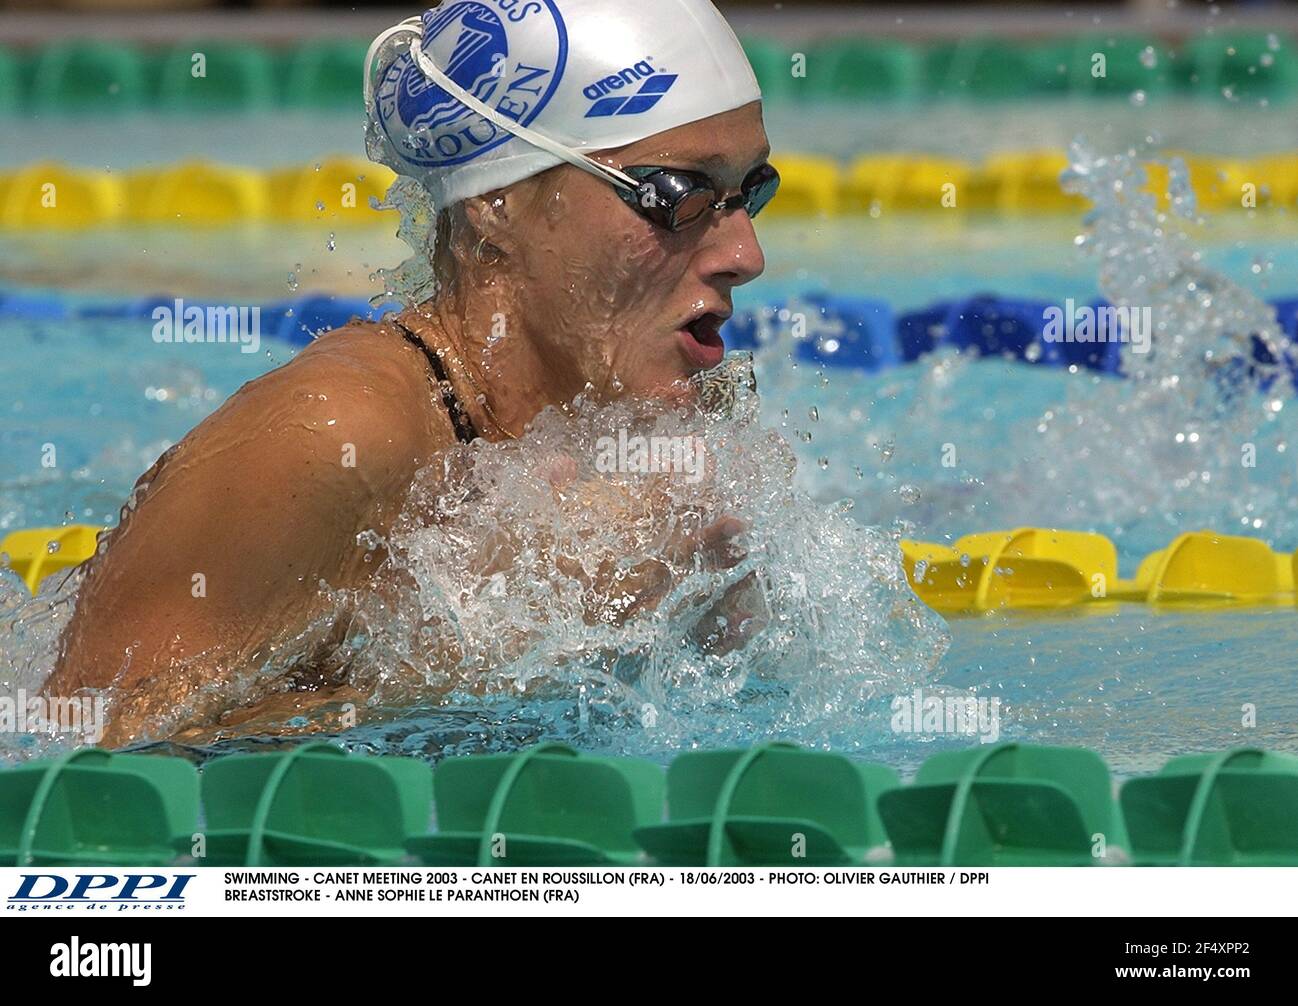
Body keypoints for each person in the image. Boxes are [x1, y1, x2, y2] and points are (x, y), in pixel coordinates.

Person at [42, 0, 779, 746]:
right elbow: (83, 762)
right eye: (676, 195)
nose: (745, 255)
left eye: (750, 191)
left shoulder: (648, 416)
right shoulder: (334, 437)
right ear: (497, 202)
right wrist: (479, 667)